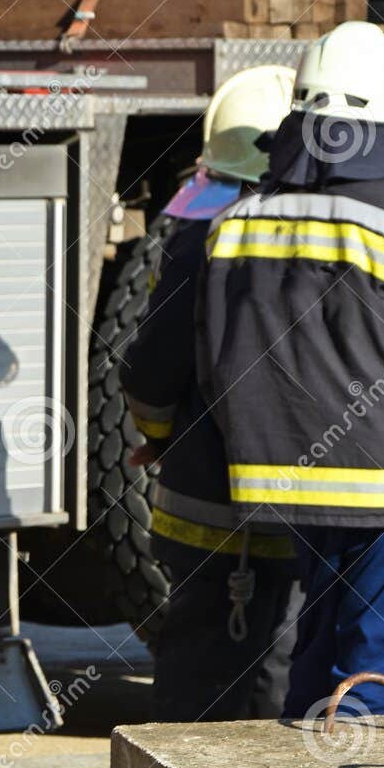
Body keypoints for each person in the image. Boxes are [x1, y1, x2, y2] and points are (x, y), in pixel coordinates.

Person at [197, 21, 384, 719]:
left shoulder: (235, 221)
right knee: (380, 691)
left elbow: (214, 361)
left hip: (297, 498)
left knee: (317, 673)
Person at [121, 65, 300, 720]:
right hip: (304, 520)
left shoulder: (202, 234)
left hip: (204, 510)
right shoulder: (338, 233)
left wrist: (160, 436)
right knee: (277, 678)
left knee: (204, 684)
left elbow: (151, 368)